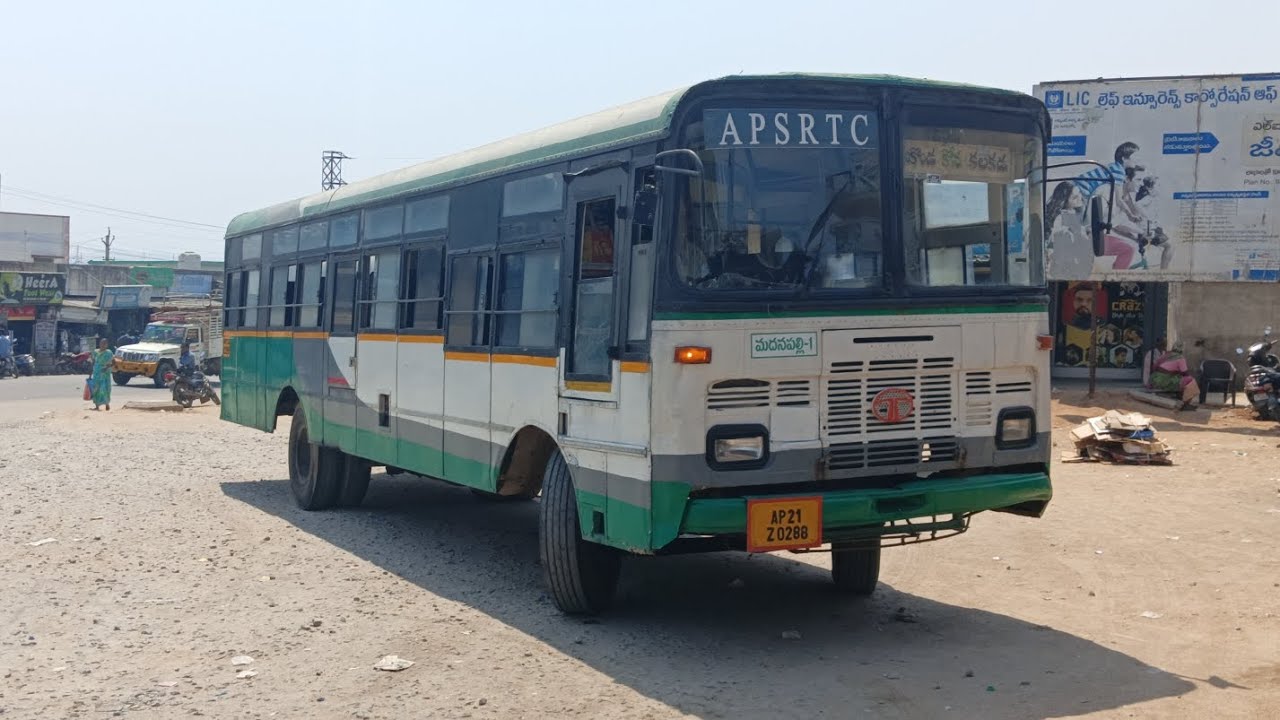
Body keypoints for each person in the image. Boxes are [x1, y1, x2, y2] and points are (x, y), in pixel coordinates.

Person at [1145, 337, 1200, 410]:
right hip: (1164, 381)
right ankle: (1186, 404)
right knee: (1190, 380)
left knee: (1180, 380)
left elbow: (1154, 367)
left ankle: (1181, 401)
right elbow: (1185, 373)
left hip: (1154, 380)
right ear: (1182, 349)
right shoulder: (1180, 358)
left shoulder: (1166, 355)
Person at [90, 337, 114, 411]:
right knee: (96, 388)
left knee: (105, 388)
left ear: (107, 345)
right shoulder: (95, 352)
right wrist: (91, 372)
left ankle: (107, 404)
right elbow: (93, 362)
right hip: (96, 373)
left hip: (105, 373)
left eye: (104, 344)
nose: (102, 345)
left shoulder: (109, 353)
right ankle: (97, 405)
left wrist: (106, 368)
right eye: (101, 343)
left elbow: (113, 362)